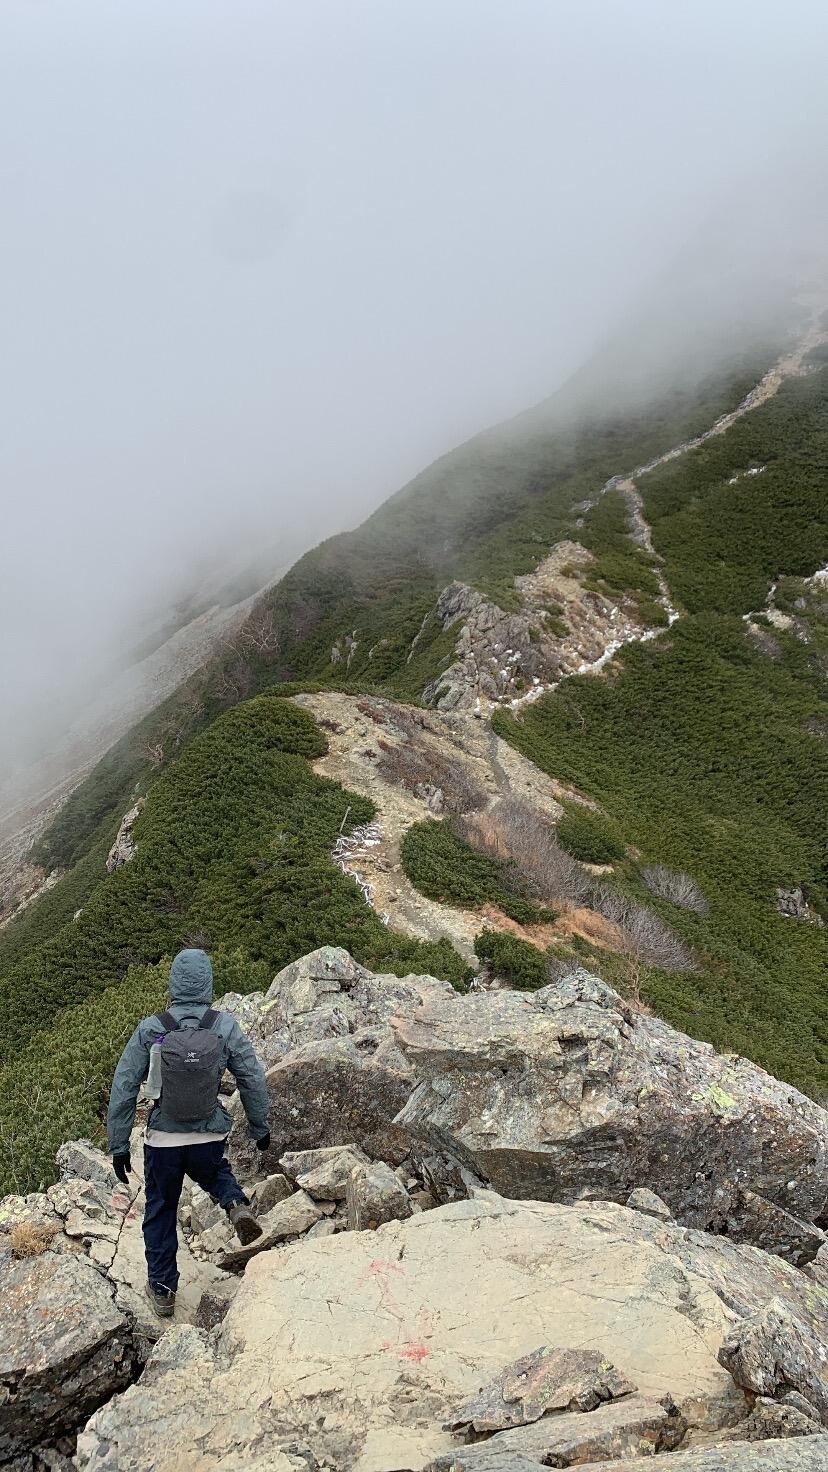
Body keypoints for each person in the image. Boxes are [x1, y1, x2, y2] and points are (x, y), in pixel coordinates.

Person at [107, 947, 271, 1318]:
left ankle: (163, 1290)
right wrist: (260, 1126)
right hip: (208, 1134)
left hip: (164, 1141)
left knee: (162, 1209)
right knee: (215, 1173)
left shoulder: (153, 1027)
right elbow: (252, 1078)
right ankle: (234, 1204)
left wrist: (118, 1145)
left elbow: (124, 1084)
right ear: (208, 983)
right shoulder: (223, 1026)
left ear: (174, 983)